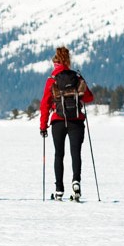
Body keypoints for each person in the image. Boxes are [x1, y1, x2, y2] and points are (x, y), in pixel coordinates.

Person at [39, 46, 95, 201]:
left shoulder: (52, 80)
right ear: (68, 61)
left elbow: (45, 104)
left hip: (58, 121)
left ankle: (59, 190)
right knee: (75, 153)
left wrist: (43, 126)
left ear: (55, 62)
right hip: (76, 121)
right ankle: (76, 183)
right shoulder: (76, 77)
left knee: (59, 154)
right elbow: (89, 97)